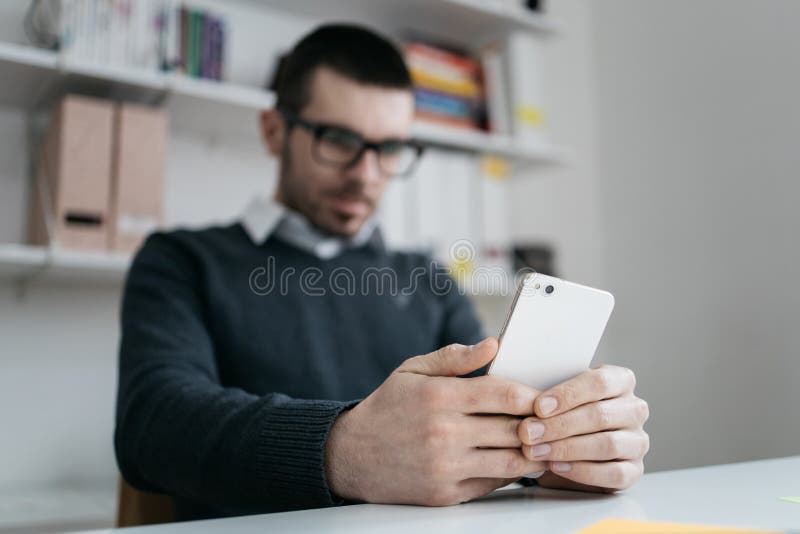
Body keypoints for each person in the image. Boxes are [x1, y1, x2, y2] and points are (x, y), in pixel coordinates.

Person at [114, 24, 649, 521]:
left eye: (389, 148)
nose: (366, 175)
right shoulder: (181, 260)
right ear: (275, 131)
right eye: (340, 141)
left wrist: (556, 450)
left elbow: (493, 417)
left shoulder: (425, 278)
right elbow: (152, 426)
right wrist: (344, 449)